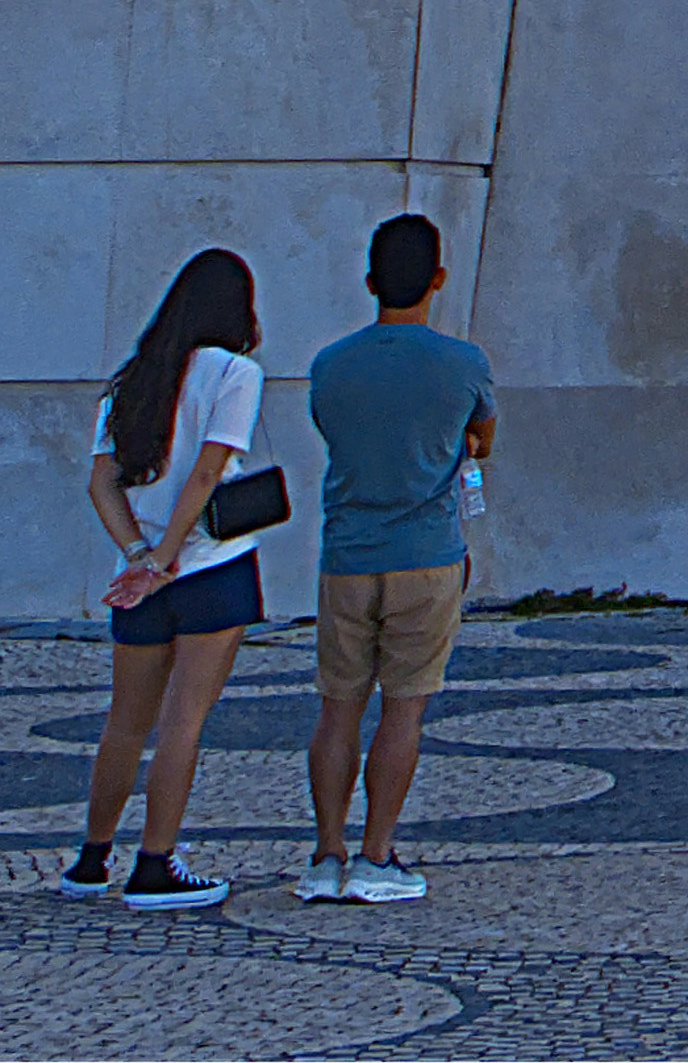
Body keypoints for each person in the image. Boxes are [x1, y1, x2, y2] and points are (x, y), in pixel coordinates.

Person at [297, 212, 494, 904]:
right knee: (404, 709)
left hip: (348, 552)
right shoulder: (462, 362)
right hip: (427, 552)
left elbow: (330, 430)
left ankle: (326, 854)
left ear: (371, 280)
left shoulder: (331, 363)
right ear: (438, 278)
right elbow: (481, 435)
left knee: (337, 708)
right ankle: (378, 853)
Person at [74, 247, 270, 909]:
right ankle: (156, 862)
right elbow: (210, 469)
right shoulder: (236, 372)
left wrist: (140, 550)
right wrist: (170, 558)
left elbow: (102, 481)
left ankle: (92, 857)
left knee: (125, 721)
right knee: (183, 720)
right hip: (212, 565)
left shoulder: (131, 380)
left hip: (141, 569)